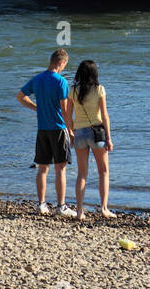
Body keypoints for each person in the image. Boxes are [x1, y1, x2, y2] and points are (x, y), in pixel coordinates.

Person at [18, 48, 75, 216]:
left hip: (42, 129)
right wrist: (71, 130)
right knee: (60, 168)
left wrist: (36, 108)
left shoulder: (37, 79)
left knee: (42, 168)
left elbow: (20, 96)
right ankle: (61, 206)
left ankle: (41, 204)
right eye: (65, 64)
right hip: (58, 128)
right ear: (61, 63)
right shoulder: (61, 81)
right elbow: (64, 110)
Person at [69, 59, 114, 220]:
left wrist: (71, 132)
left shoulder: (72, 90)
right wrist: (109, 138)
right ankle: (104, 208)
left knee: (82, 173)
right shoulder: (99, 89)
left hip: (79, 132)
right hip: (96, 133)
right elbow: (105, 116)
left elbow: (67, 115)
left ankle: (80, 211)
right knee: (103, 171)